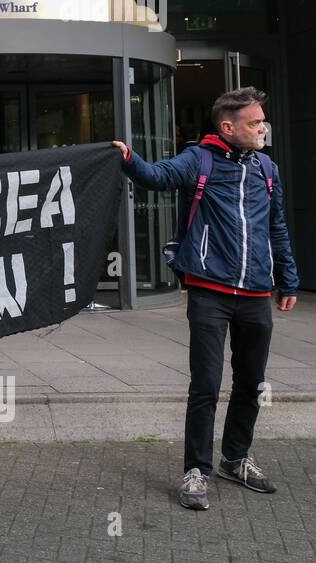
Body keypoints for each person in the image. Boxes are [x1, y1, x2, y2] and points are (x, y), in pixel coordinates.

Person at [111, 86, 298, 511]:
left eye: (263, 121)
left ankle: (235, 458)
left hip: (256, 293)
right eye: (255, 123)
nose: (263, 128)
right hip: (210, 291)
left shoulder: (267, 168)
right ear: (228, 127)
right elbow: (156, 177)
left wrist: (288, 280)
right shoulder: (200, 159)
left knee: (251, 382)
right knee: (206, 386)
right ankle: (196, 469)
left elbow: (277, 227)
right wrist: (128, 158)